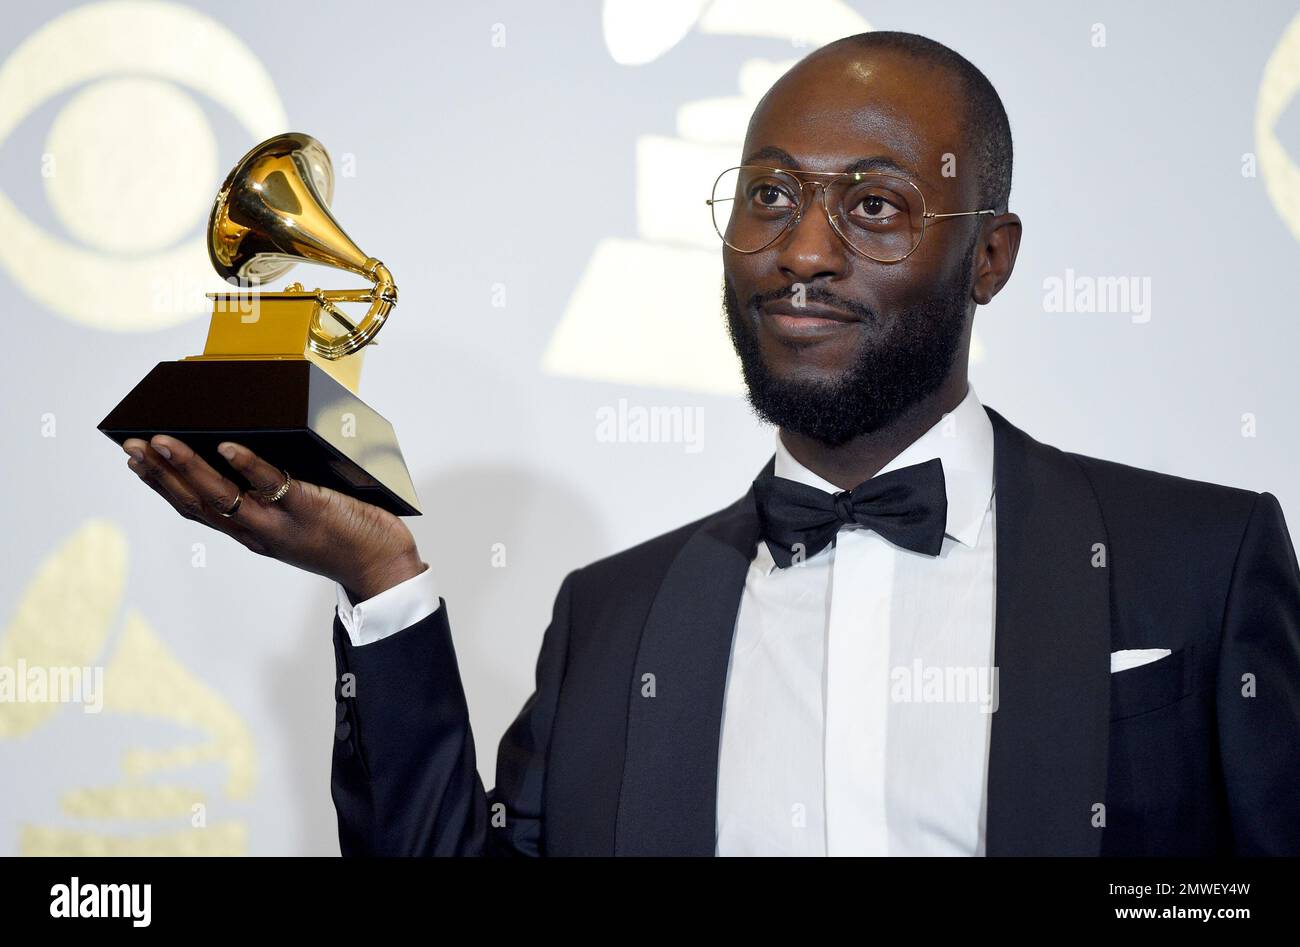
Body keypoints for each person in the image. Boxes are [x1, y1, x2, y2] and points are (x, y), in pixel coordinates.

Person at [119, 31, 1300, 856]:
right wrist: (378, 580)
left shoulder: (1200, 557)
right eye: (771, 196)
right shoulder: (614, 618)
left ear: (988, 254)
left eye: (873, 205)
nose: (802, 251)